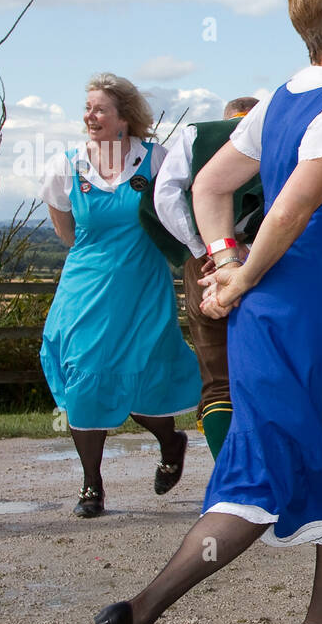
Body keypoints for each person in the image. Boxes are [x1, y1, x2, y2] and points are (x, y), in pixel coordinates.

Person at [92, 0, 322, 624]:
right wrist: (238, 276)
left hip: (313, 325)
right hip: (299, 323)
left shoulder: (283, 97)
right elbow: (293, 206)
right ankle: (135, 614)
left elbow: (210, 185)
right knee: (260, 481)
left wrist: (226, 256)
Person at [39, 73, 201, 519]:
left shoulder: (156, 160)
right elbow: (66, 232)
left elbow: (179, 212)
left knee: (141, 373)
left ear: (124, 118)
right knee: (85, 373)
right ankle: (92, 485)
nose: (90, 116)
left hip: (142, 286)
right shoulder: (65, 166)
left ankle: (171, 442)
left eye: (99, 109)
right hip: (85, 287)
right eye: (87, 108)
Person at [148, 96, 262, 457]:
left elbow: (164, 195)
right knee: (270, 369)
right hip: (266, 259)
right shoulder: (281, 135)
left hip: (207, 261)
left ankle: (231, 479)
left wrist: (203, 248)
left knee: (218, 380)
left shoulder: (197, 136)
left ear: (228, 117)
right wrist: (252, 248)